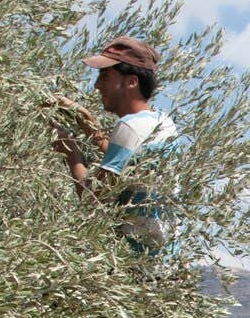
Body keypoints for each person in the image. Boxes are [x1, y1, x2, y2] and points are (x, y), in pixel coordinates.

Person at [51, 36, 179, 259]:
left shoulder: (129, 127)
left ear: (131, 82)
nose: (97, 85)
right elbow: (131, 163)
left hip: (135, 264)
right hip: (163, 261)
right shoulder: (161, 122)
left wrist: (71, 154)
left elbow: (93, 198)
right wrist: (87, 121)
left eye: (105, 75)